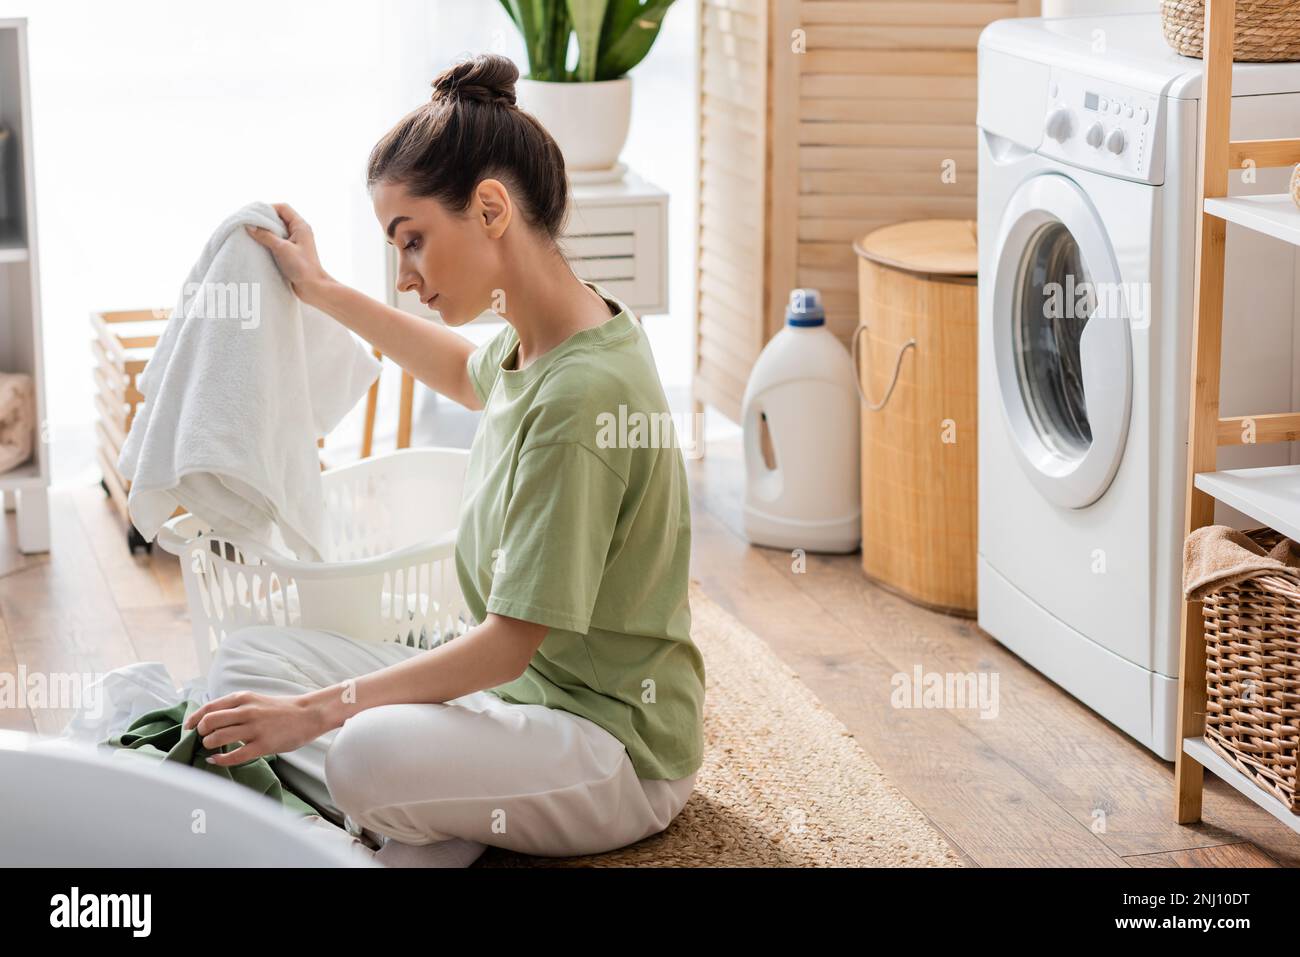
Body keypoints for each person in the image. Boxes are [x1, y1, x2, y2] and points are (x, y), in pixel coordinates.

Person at [187, 52, 705, 867]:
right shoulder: (546, 334)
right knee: (248, 661)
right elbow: (463, 371)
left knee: (360, 750)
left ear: (491, 207)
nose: (406, 279)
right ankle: (425, 817)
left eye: (414, 241)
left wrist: (315, 716)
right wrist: (320, 291)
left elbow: (504, 647)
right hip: (510, 705)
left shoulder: (581, 396)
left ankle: (401, 813)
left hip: (607, 749)